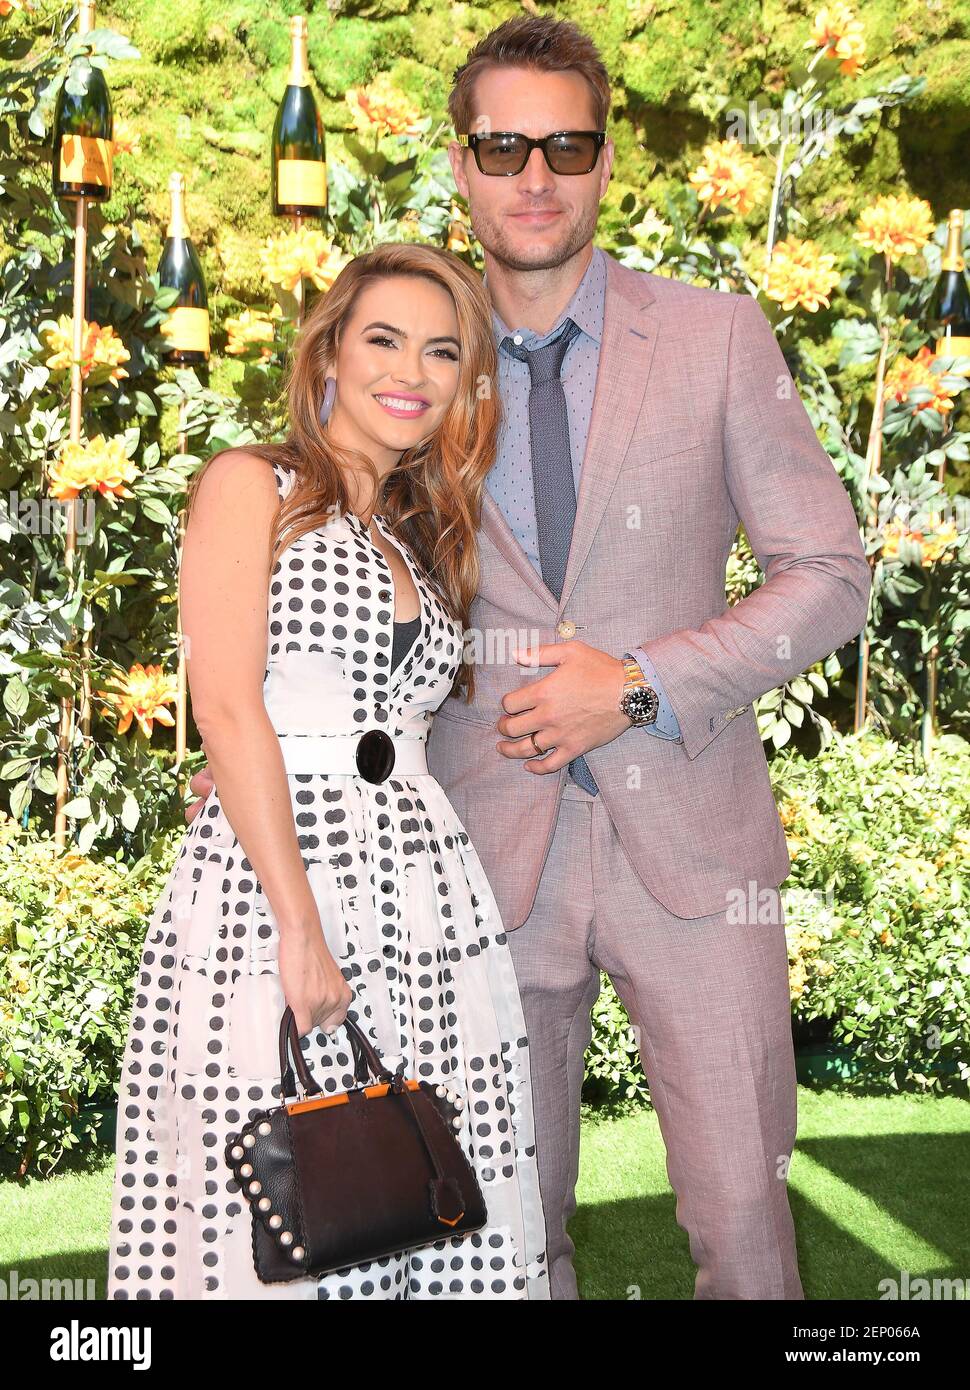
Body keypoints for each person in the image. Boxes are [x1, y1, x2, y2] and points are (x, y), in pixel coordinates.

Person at [191, 16, 872, 1300]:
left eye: (566, 144)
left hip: (697, 856)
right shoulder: (418, 365)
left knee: (741, 1224)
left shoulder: (719, 339)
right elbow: (314, 584)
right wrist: (261, 751)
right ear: (462, 165)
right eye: (504, 145)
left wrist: (639, 684)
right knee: (503, 1238)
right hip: (466, 868)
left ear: (607, 162)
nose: (536, 175)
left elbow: (830, 578)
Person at [106, 241, 550, 1300]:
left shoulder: (418, 535)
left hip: (424, 893)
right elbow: (224, 703)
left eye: (442, 351)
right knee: (284, 1184)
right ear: (329, 360)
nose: (411, 371)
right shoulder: (250, 483)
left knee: (420, 1172)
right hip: (280, 883)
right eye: (383, 340)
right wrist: (299, 927)